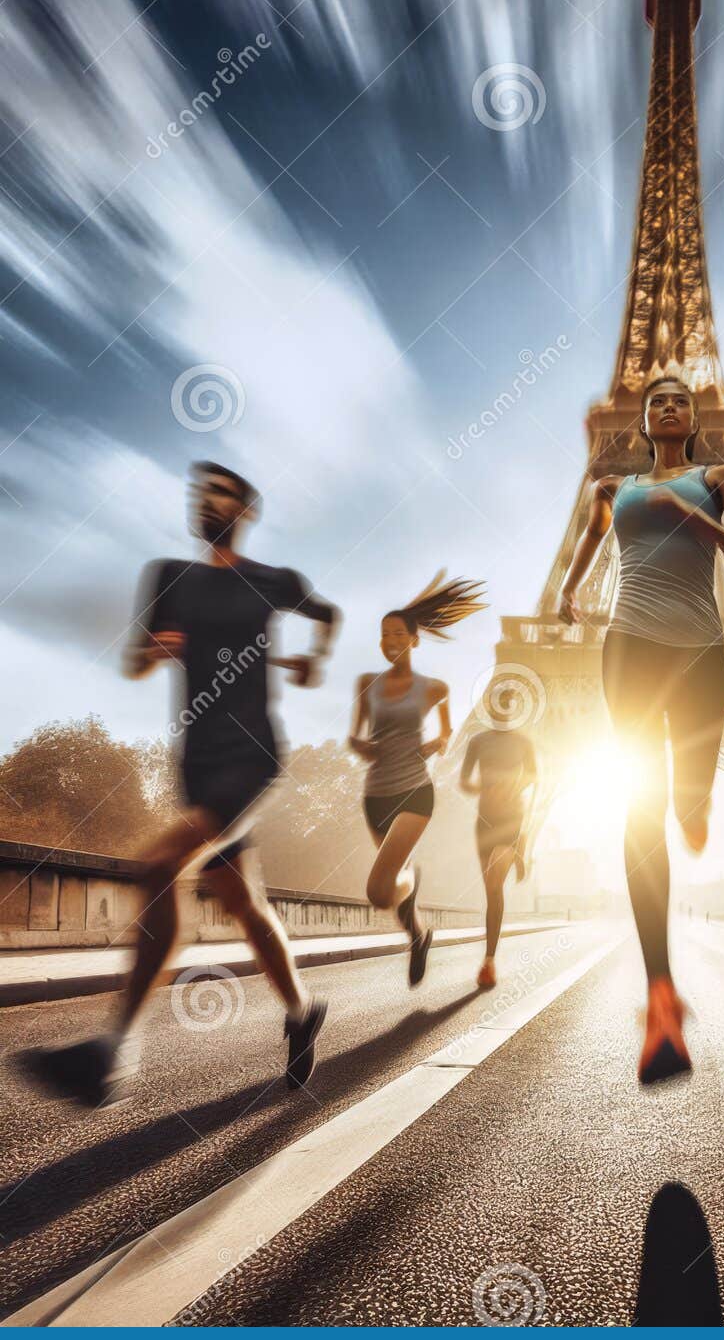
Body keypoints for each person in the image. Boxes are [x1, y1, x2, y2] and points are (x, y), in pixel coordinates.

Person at [20, 463, 339, 1108]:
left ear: (246, 508)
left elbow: (327, 615)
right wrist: (155, 650)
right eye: (198, 492)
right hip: (194, 759)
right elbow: (135, 661)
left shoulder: (272, 581)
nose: (205, 500)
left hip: (250, 756)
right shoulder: (168, 577)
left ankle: (112, 1055)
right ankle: (303, 1009)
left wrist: (313, 661)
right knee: (243, 904)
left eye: (219, 492)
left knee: (158, 865)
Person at [557, 374, 724, 1084]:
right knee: (639, 807)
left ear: (695, 416)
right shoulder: (612, 489)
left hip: (702, 653)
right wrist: (566, 591)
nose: (669, 407)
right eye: (657, 402)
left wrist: (698, 522)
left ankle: (697, 804)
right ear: (643, 422)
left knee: (686, 802)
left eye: (680, 399)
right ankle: (660, 993)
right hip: (628, 647)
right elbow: (591, 547)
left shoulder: (719, 476)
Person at [349, 573, 485, 988]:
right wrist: (361, 746)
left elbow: (445, 734)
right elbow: (356, 736)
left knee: (378, 890)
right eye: (382, 634)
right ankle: (418, 936)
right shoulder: (365, 684)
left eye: (396, 633)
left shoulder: (435, 689)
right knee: (393, 896)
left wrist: (438, 743)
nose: (388, 639)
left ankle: (412, 877)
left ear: (414, 640)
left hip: (414, 792)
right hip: (375, 794)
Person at [459, 697, 537, 989]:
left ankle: (489, 961)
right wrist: (482, 787)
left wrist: (511, 786)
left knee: (494, 885)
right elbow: (465, 780)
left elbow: (533, 775)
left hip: (511, 818)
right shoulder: (477, 741)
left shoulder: (523, 742)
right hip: (484, 820)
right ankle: (520, 850)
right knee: (490, 893)